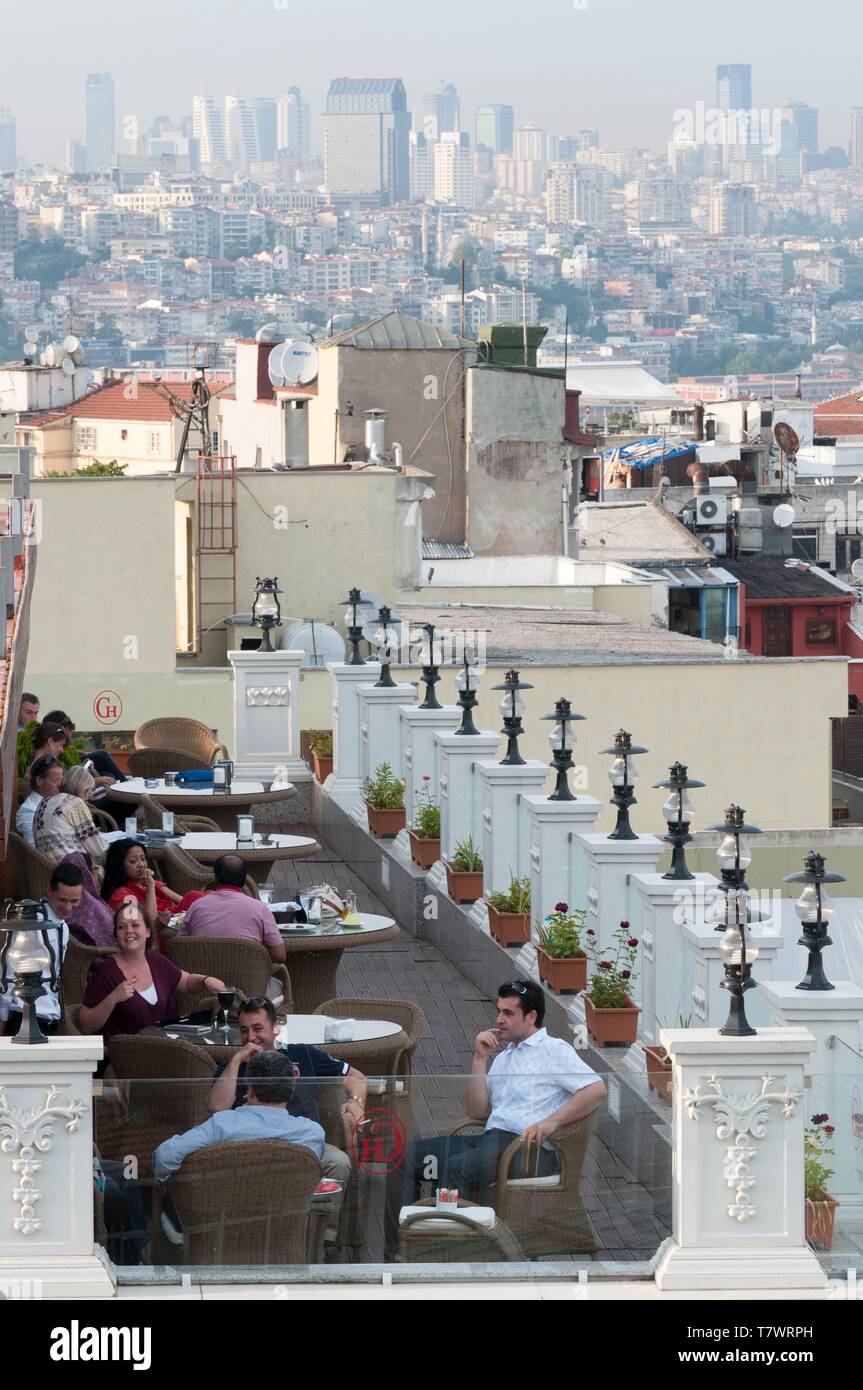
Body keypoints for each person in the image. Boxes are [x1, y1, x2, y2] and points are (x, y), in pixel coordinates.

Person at [384, 979, 606, 1256]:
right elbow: (477, 1111)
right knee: (403, 1157)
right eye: (499, 1011)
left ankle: (450, 1258)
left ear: (531, 1016)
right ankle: (398, 1253)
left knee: (457, 1168)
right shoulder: (504, 1056)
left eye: (508, 1013)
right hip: (491, 1140)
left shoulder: (554, 1050)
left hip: (528, 1151)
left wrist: (551, 1122)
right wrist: (480, 1058)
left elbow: (596, 1089)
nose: (499, 1019)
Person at [208, 997, 365, 1194]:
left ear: (276, 1027)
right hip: (247, 1149)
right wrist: (237, 1060)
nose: (250, 1037)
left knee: (338, 1162)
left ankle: (321, 1224)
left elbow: (355, 1076)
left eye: (258, 1028)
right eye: (244, 1030)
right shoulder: (231, 1066)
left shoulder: (301, 1054)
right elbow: (217, 1107)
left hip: (304, 1143)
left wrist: (356, 1101)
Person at [153, 1049, 325, 1182]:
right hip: (285, 1221)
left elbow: (163, 1158)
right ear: (291, 1091)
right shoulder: (311, 1134)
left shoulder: (221, 1125)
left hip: (217, 1218)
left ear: (249, 1089)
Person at [79, 901, 226, 1041]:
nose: (129, 931)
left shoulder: (156, 961)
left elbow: (186, 982)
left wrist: (206, 980)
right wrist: (112, 999)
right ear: (116, 935)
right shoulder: (106, 971)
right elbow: (86, 1026)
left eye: (135, 925)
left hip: (161, 1050)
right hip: (125, 1057)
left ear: (148, 931)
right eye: (121, 927)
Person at [0, 862, 83, 1037]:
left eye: (74, 901)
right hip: (23, 1019)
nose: (68, 907)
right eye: (62, 899)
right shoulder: (31, 925)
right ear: (49, 891)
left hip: (51, 1020)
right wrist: (2, 1023)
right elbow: (7, 976)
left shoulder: (63, 927)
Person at [176, 854, 286, 964]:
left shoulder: (197, 906)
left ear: (216, 877)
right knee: (277, 980)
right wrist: (254, 958)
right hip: (248, 978)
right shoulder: (260, 908)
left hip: (203, 978)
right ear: (244, 879)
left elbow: (181, 945)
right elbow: (279, 955)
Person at [101, 837, 191, 933]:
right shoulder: (121, 894)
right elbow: (148, 923)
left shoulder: (148, 882)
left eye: (143, 859)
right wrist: (150, 889)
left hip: (173, 921)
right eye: (133, 861)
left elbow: (183, 900)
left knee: (195, 896)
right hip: (157, 934)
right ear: (119, 866)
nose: (141, 864)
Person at [33, 765, 107, 866]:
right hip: (73, 870)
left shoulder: (44, 802)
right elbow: (97, 849)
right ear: (83, 789)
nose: (88, 797)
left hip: (45, 869)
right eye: (89, 791)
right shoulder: (75, 802)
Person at [43, 710, 126, 784]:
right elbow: (65, 779)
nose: (62, 748)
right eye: (69, 733)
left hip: (76, 768)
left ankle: (123, 788)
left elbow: (69, 751)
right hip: (73, 775)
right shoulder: (49, 754)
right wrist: (94, 780)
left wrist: (82, 754)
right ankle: (125, 784)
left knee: (109, 775)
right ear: (62, 729)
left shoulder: (58, 745)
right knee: (102, 755)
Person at [58, 851, 116, 948]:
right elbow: (110, 938)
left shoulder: (58, 900)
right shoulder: (90, 905)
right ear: (88, 873)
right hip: (100, 956)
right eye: (95, 869)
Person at [15, 754, 64, 845]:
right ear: (39, 781)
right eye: (56, 781)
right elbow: (35, 850)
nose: (60, 785)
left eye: (61, 781)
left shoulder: (54, 801)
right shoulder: (29, 811)